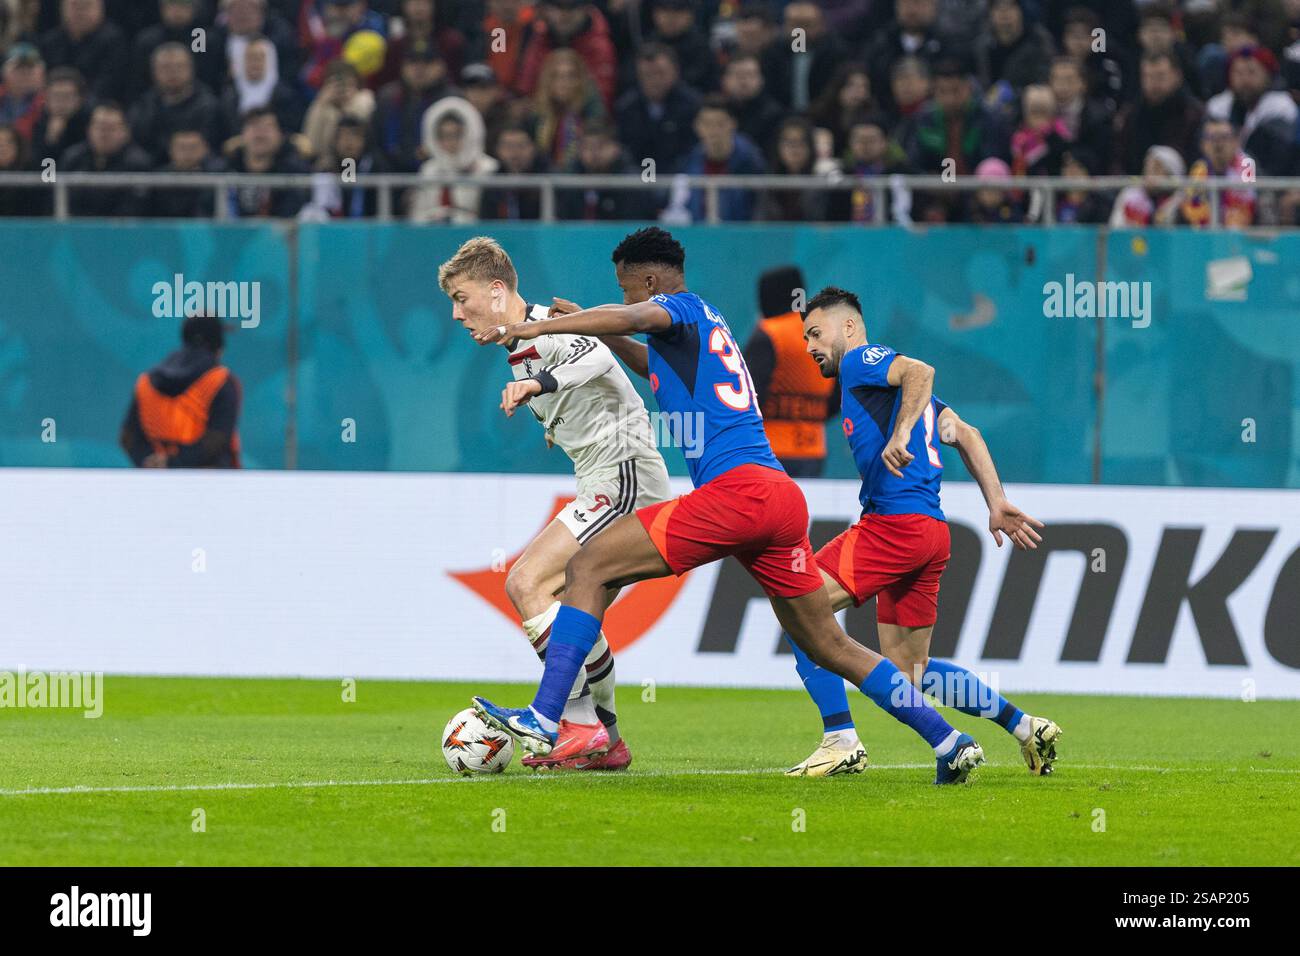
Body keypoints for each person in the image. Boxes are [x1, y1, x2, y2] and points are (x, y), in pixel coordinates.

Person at [471, 227, 990, 786]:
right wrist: (603, 336)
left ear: (649, 282)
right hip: (779, 499)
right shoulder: (705, 324)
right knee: (829, 643)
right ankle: (949, 740)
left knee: (588, 566)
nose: (625, 301)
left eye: (627, 290)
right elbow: (650, 361)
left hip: (736, 495)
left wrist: (538, 326)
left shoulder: (677, 306)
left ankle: (549, 718)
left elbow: (631, 319)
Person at [784, 286, 1058, 777]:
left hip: (893, 526)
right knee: (913, 670)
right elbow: (966, 434)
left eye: (814, 333)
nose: (809, 346)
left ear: (848, 327)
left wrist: (902, 432)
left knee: (801, 606)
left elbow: (920, 370)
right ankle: (1024, 727)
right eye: (805, 337)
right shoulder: (904, 394)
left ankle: (841, 738)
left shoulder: (861, 361)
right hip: (930, 532)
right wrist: (995, 502)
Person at [437, 236, 674, 770]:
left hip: (625, 476)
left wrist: (538, 386)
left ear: (497, 291)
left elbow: (594, 354)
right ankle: (607, 741)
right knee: (577, 621)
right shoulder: (520, 349)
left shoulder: (551, 328)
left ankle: (578, 724)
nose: (457, 313)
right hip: (604, 478)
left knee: (525, 581)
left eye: (462, 297)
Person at [741, 265, 836, 476]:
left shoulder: (770, 333)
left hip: (771, 448)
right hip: (813, 449)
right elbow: (837, 397)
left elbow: (749, 395)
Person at [120, 314, 242, 469]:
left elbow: (128, 437)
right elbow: (217, 438)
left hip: (156, 484)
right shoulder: (220, 381)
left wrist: (152, 461)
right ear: (219, 347)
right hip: (210, 484)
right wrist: (175, 462)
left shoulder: (146, 382)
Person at [410, 96, 496, 223]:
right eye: (444, 136)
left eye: (456, 135)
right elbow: (417, 215)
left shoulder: (488, 168)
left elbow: (489, 217)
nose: (450, 142)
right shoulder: (429, 169)